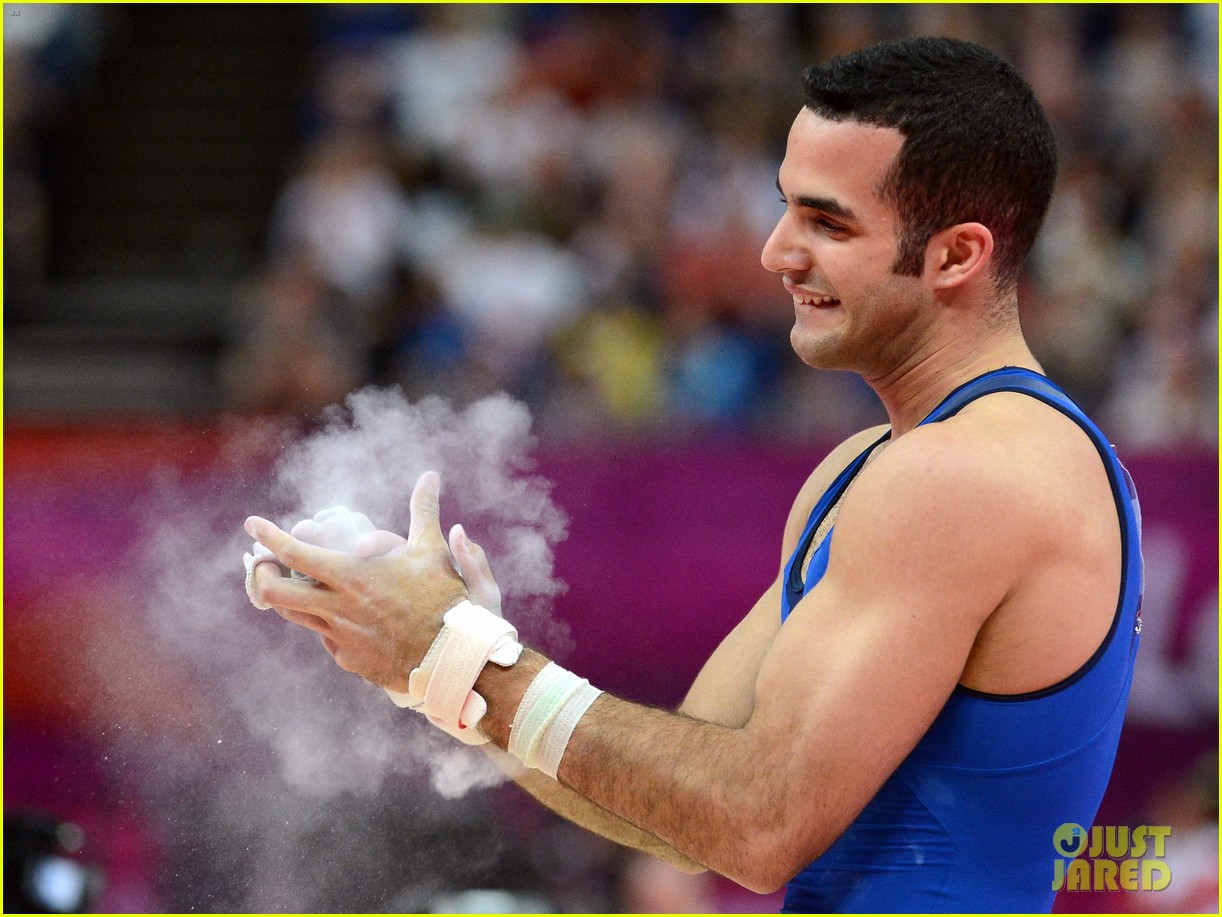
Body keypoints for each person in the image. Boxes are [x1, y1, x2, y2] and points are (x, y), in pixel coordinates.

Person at [244, 37, 1143, 912]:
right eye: (785, 206)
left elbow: (760, 826)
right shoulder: (874, 466)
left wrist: (449, 646)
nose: (776, 252)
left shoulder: (962, 476)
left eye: (826, 222)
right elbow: (685, 813)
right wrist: (451, 665)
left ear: (957, 255)